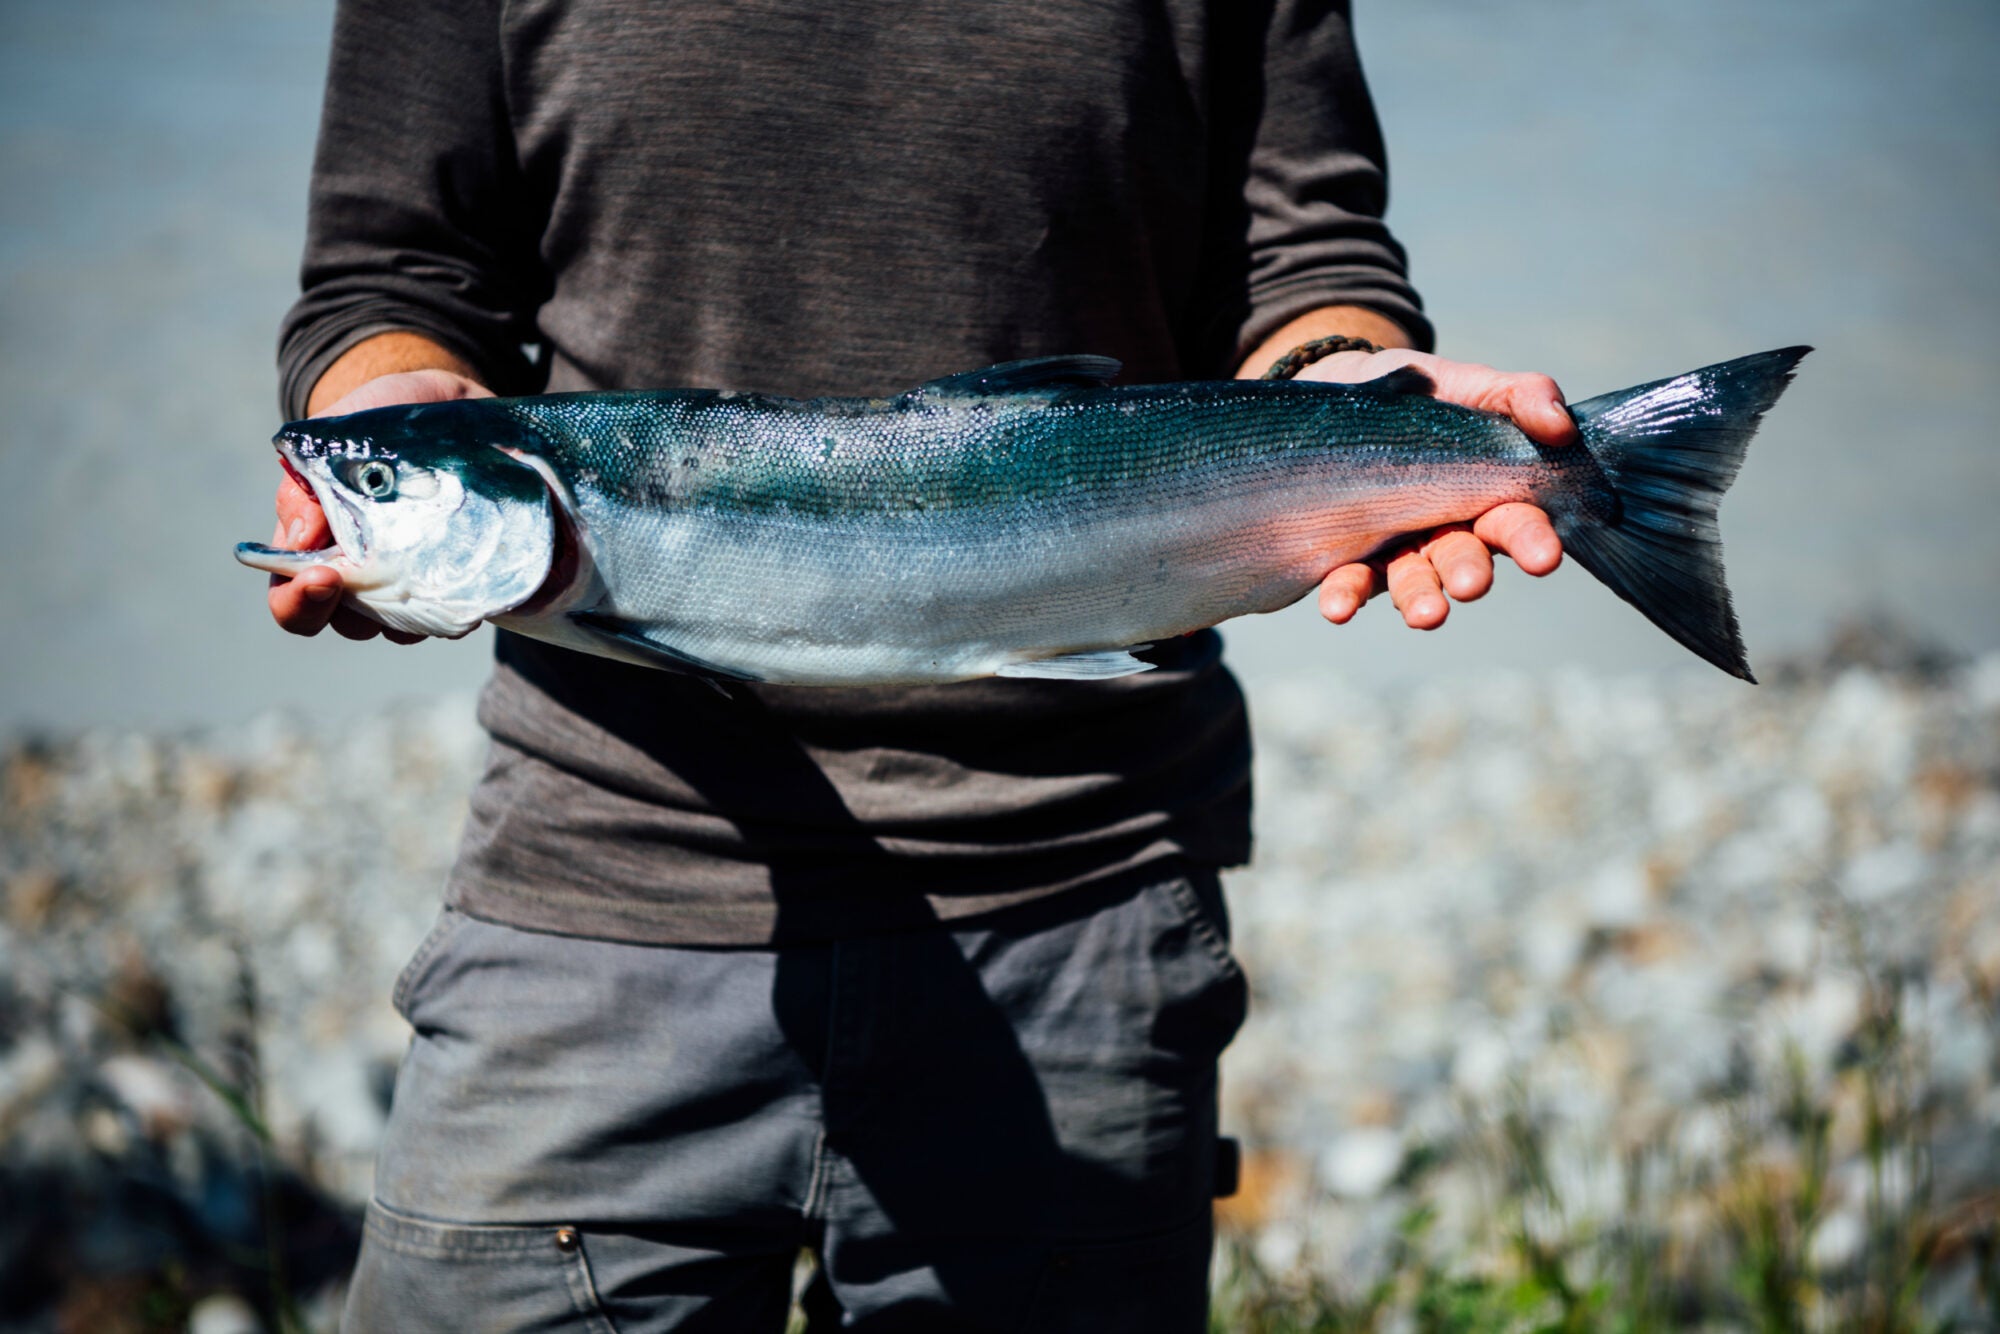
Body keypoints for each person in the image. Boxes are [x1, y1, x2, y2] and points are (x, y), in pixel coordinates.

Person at [267, 2, 1574, 1328]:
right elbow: (393, 278)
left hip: (1082, 905)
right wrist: (379, 435)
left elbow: (1300, 252)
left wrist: (1350, 393)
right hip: (595, 892)